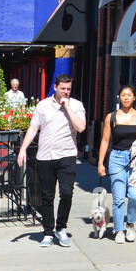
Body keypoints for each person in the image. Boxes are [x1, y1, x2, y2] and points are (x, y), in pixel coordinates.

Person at [18, 75, 86, 247]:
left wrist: (67, 108)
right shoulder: (43, 105)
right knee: (47, 196)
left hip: (67, 155)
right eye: (63, 88)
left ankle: (61, 227)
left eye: (68, 89)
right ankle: (48, 231)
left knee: (66, 193)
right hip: (45, 156)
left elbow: (81, 127)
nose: (65, 91)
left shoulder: (76, 105)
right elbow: (34, 128)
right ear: (55, 87)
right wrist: (23, 149)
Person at [97, 84, 136, 244]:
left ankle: (131, 224)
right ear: (119, 97)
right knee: (119, 198)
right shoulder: (111, 117)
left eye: (129, 95)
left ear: (135, 98)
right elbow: (105, 140)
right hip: (117, 159)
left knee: (135, 196)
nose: (126, 97)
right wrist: (101, 163)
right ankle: (119, 230)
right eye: (123, 95)